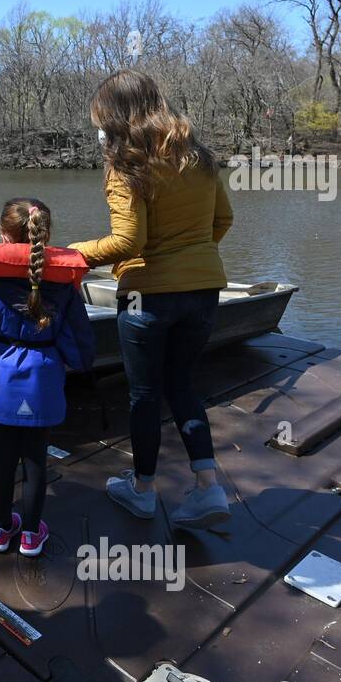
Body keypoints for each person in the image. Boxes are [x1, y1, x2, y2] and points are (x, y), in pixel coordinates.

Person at [67, 69, 235, 529]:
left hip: (149, 298)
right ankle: (208, 488)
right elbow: (223, 220)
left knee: (144, 394)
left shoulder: (127, 162)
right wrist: (194, 258)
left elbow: (128, 241)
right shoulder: (198, 156)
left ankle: (142, 490)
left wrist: (70, 253)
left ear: (115, 117)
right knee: (182, 386)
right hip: (203, 292)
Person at [0, 199, 95, 555]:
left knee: (2, 456)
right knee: (35, 457)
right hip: (43, 379)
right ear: (45, 235)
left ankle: (1, 530)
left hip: (2, 378)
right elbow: (77, 340)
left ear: (3, 234)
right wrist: (81, 363)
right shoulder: (64, 286)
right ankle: (32, 535)